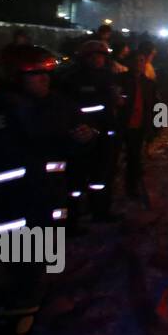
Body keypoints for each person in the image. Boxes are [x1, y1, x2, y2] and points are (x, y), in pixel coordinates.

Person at [0, 46, 90, 335]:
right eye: (35, 74)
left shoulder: (56, 107)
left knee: (30, 277)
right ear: (15, 77)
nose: (44, 79)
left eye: (47, 72)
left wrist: (81, 139)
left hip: (38, 206)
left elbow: (66, 146)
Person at [60, 39, 122, 226]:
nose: (98, 59)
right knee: (76, 178)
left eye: (101, 56)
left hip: (105, 134)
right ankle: (71, 220)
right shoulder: (73, 79)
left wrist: (118, 101)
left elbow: (113, 102)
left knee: (102, 176)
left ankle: (100, 212)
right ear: (85, 58)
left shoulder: (108, 76)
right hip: (82, 135)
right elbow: (69, 108)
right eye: (94, 56)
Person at [117, 42, 158, 206]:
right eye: (135, 60)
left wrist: (156, 127)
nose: (138, 64)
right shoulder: (120, 80)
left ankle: (131, 188)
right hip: (121, 125)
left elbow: (156, 105)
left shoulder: (149, 84)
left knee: (134, 158)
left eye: (141, 60)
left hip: (138, 126)